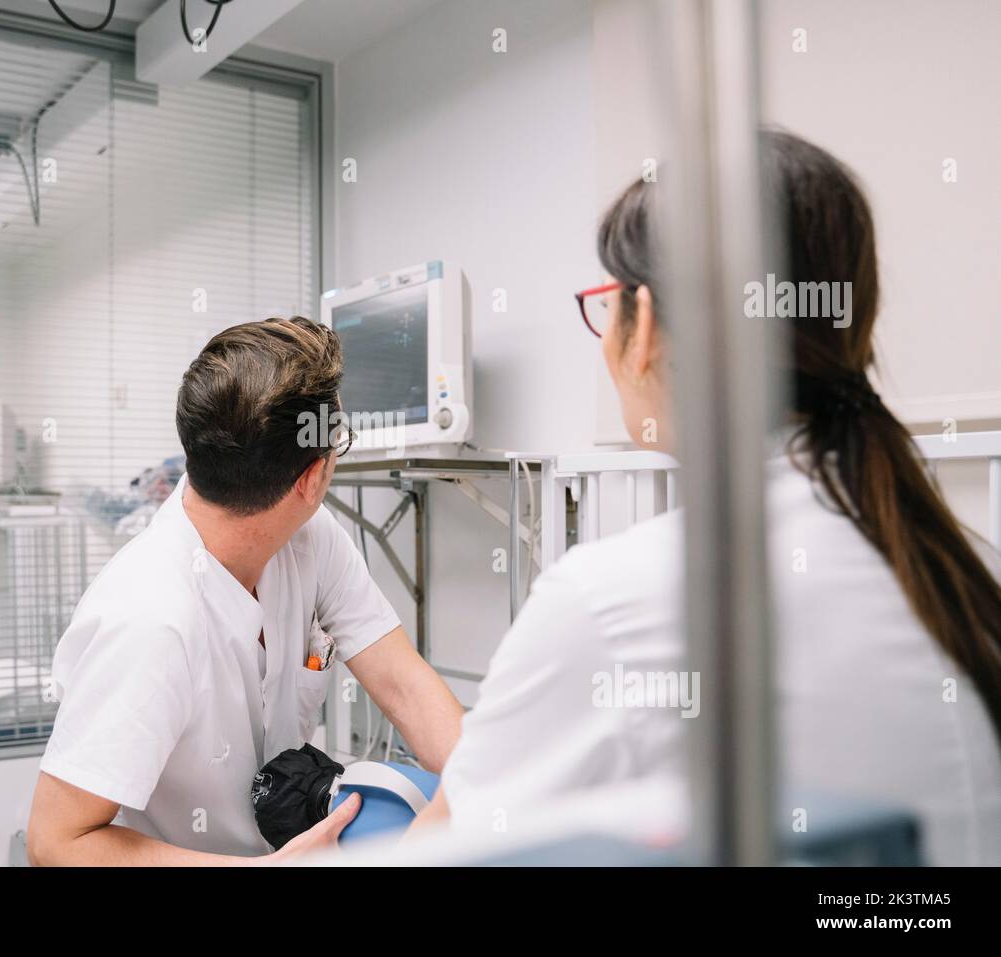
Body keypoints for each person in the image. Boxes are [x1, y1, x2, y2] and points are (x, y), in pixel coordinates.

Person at [413, 130, 1001, 865]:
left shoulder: (610, 601)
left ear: (646, 324)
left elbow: (446, 845)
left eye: (606, 304)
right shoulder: (967, 564)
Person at [27, 317, 463, 865]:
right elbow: (56, 842)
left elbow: (402, 685)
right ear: (310, 479)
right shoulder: (149, 620)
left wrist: (493, 796)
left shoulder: (312, 538)